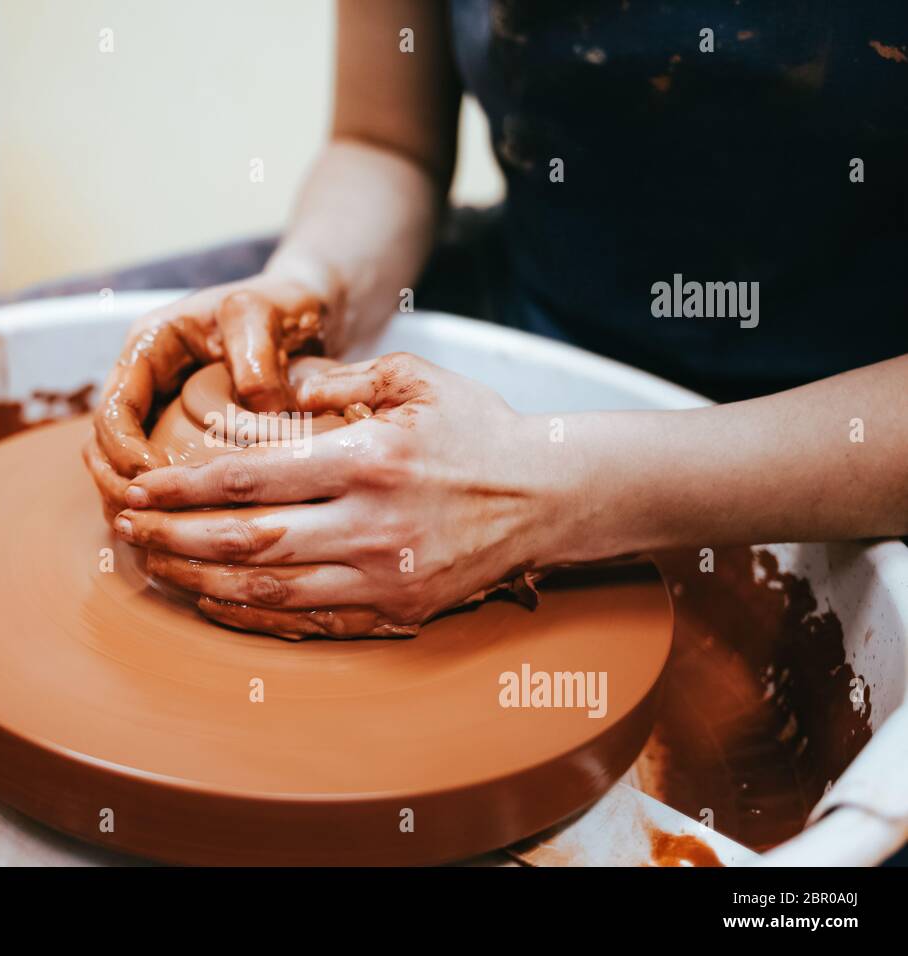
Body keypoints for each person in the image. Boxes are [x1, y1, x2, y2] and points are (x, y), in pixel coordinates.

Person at [73, 0, 908, 638]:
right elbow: (384, 143)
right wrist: (309, 281)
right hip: (538, 303)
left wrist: (546, 493)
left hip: (849, 424)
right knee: (96, 342)